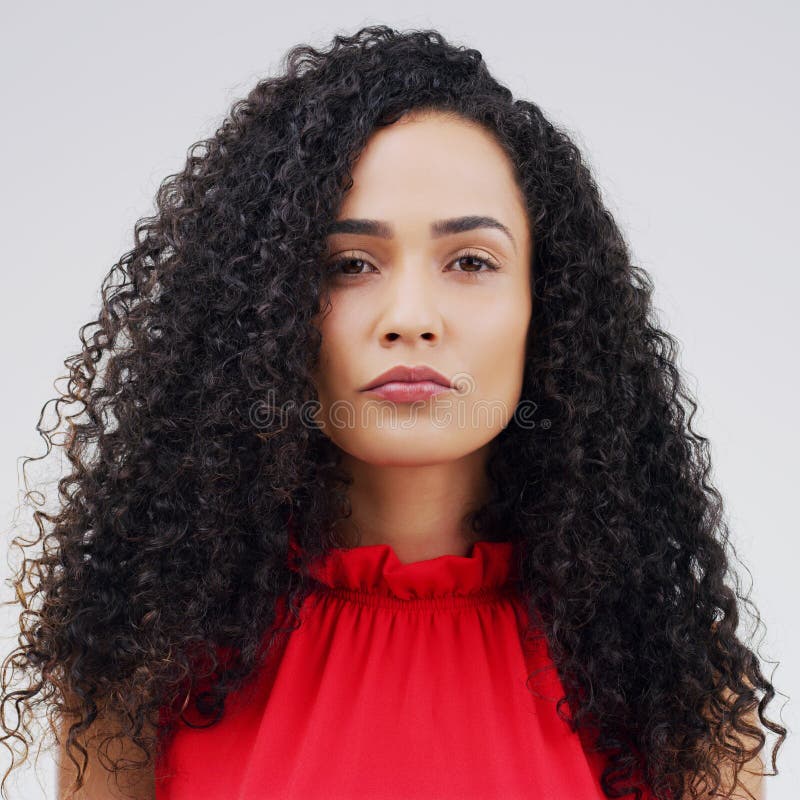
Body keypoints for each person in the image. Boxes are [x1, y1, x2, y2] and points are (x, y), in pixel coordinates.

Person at [1, 24, 784, 800]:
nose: (410, 316)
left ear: (546, 307)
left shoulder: (674, 685)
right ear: (261, 310)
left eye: (471, 261)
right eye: (350, 265)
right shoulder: (148, 664)